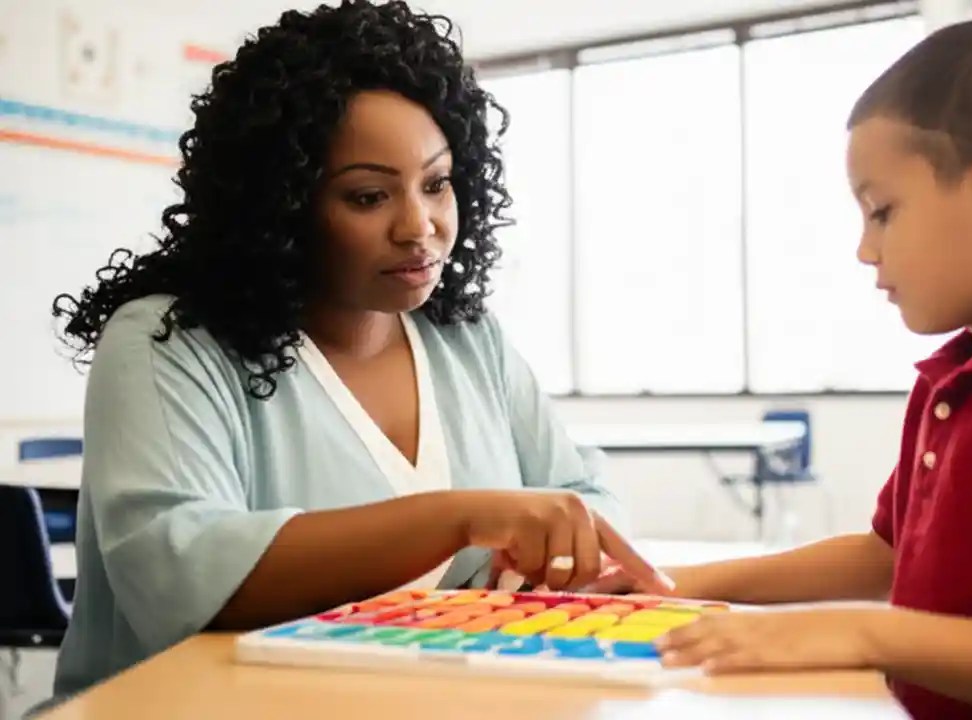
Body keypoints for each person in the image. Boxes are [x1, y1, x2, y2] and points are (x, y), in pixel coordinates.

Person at [48, 0, 669, 698]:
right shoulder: (169, 342)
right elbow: (178, 574)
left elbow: (585, 502)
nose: (420, 226)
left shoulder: (468, 340)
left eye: (437, 184)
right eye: (370, 197)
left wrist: (551, 552)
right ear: (282, 206)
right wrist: (459, 517)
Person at [593, 18, 972, 720]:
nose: (865, 249)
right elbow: (886, 556)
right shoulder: (957, 376)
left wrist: (863, 632)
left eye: (882, 211)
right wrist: (678, 585)